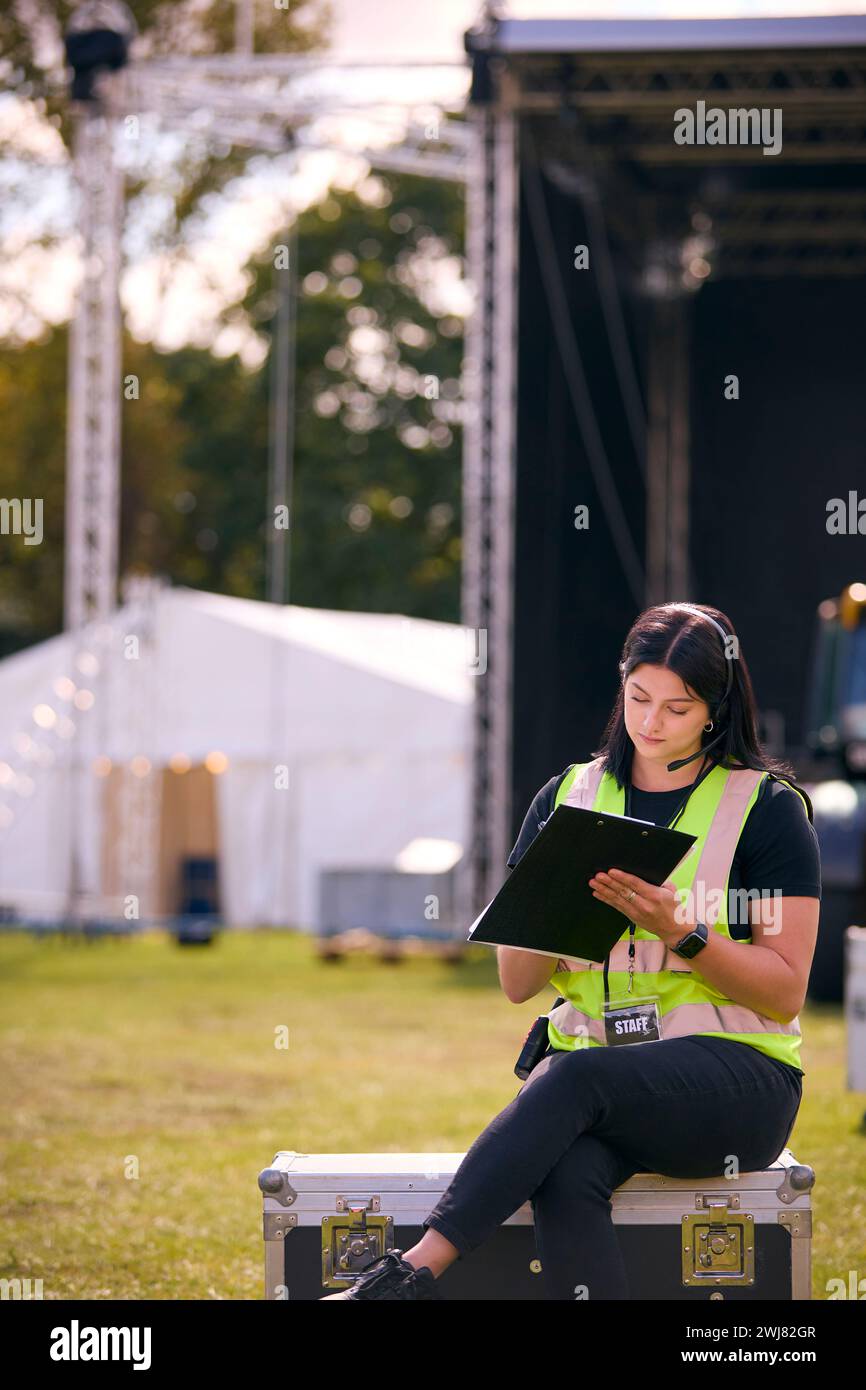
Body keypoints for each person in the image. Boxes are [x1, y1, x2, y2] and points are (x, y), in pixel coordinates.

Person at [321, 602, 820, 1301]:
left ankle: (407, 1276)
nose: (651, 722)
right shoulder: (567, 796)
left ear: (715, 709)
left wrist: (685, 933)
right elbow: (518, 984)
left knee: (570, 1078)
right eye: (639, 698)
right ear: (621, 687)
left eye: (677, 708)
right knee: (564, 1166)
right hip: (605, 1091)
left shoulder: (767, 808)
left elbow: (785, 991)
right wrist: (558, 904)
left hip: (737, 1087)